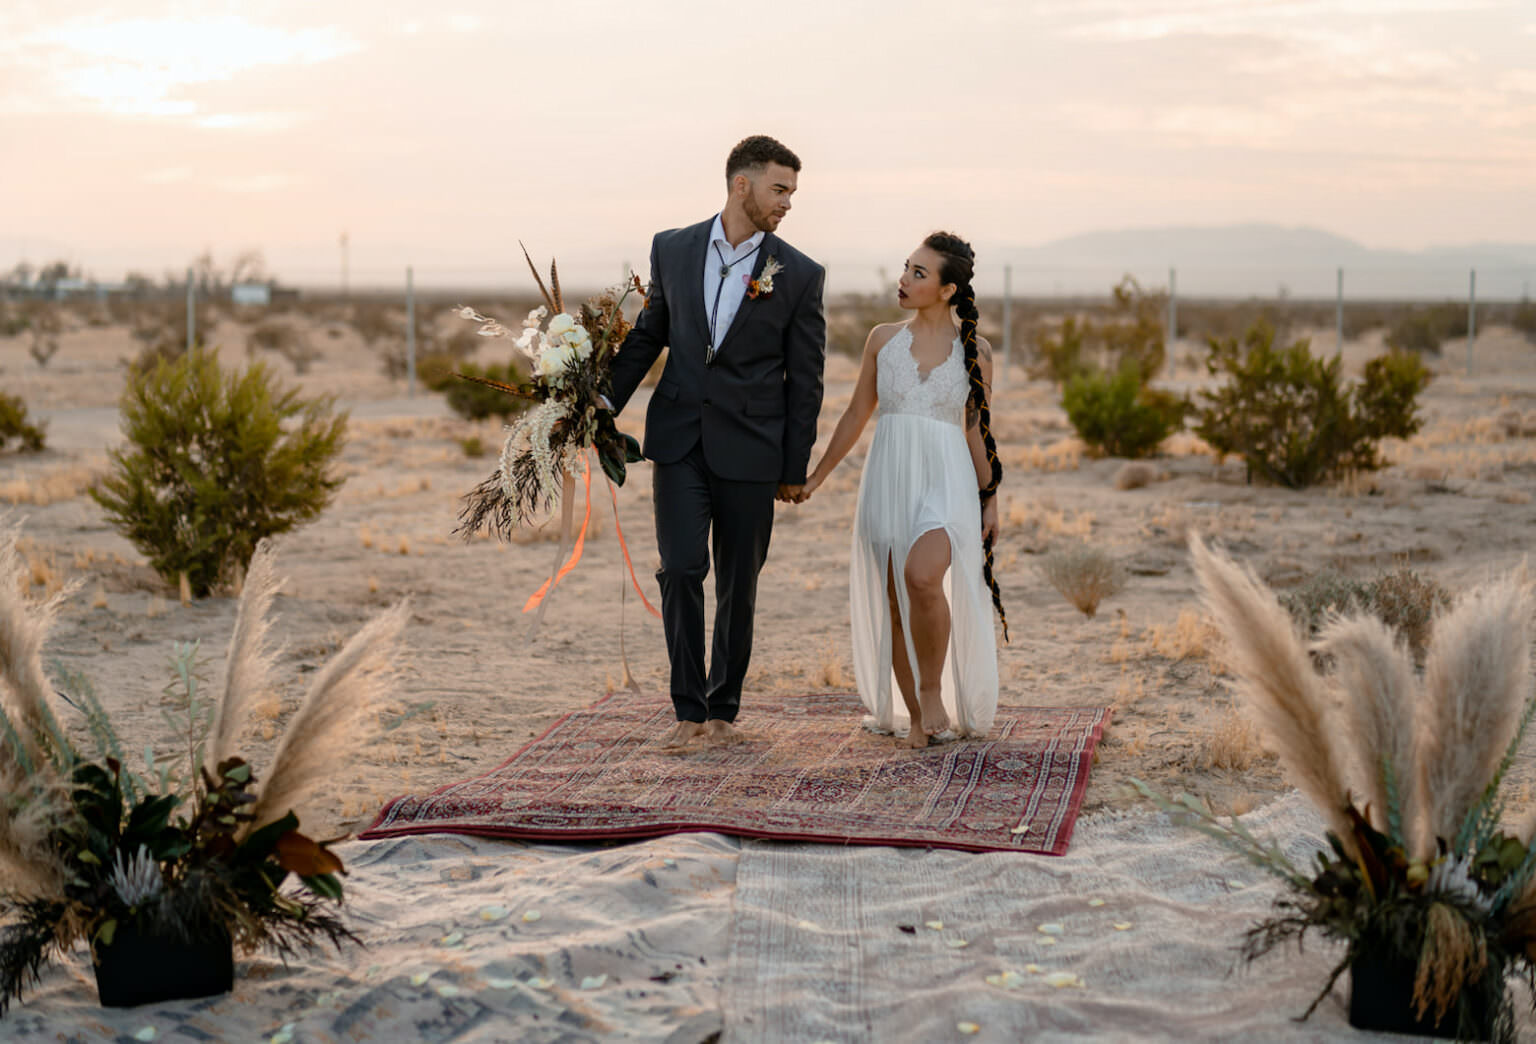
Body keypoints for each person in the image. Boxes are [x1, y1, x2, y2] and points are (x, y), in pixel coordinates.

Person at [604, 135, 827, 749]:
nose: (786, 203)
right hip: (677, 437)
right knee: (679, 568)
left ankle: (724, 707)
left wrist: (794, 466)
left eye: (791, 193)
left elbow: (805, 381)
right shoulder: (671, 249)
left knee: (739, 581)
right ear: (741, 185)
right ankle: (688, 709)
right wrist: (600, 402)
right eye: (779, 189)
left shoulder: (801, 274)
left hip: (753, 449)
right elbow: (651, 335)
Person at [799, 232, 1004, 747]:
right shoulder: (881, 339)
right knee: (894, 600)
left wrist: (991, 497)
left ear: (947, 290)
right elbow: (855, 414)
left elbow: (977, 431)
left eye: (919, 273)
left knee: (922, 577)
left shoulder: (975, 350)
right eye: (906, 268)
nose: (904, 279)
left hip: (946, 477)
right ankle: (915, 716)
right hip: (888, 475)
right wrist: (818, 475)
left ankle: (934, 690)